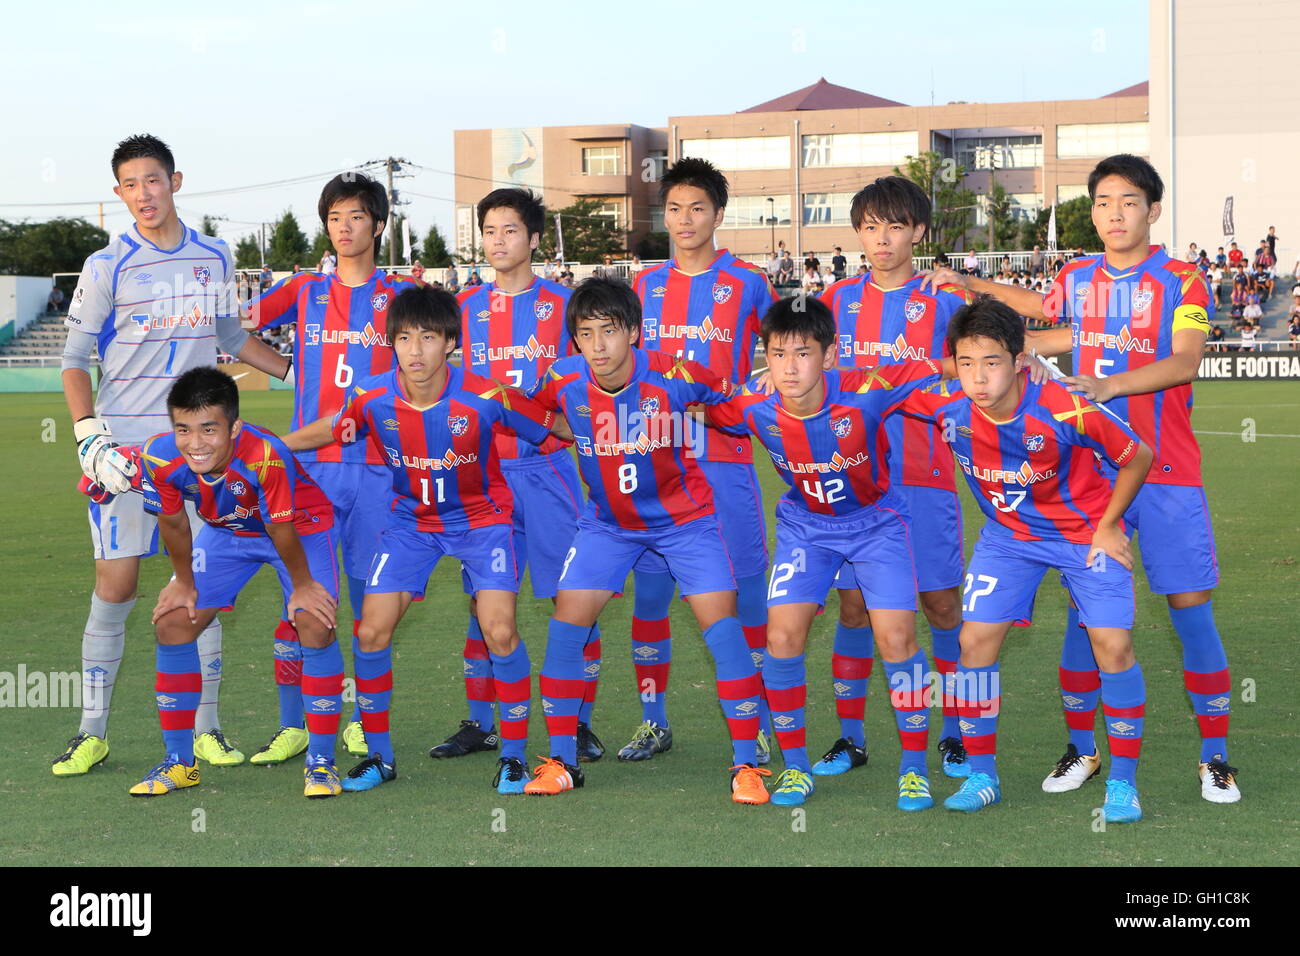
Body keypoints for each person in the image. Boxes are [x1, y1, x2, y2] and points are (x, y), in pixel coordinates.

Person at [923, 153, 1241, 804]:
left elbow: (1184, 361)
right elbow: (1041, 316)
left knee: (1189, 611)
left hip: (1166, 470)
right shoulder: (1078, 277)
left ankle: (1215, 758)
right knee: (1084, 619)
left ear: (1153, 209)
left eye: (1127, 202)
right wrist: (967, 292)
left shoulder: (1183, 281)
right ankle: (1082, 749)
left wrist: (1108, 384)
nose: (1113, 214)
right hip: (1089, 478)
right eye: (1101, 202)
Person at [54, 133, 288, 777]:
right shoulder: (106, 264)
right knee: (118, 586)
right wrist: (86, 435)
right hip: (126, 454)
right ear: (119, 193)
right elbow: (74, 360)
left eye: (152, 180)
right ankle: (90, 731)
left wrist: (300, 370)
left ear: (175, 181)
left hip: (200, 450)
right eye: (130, 185)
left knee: (201, 586)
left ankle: (207, 728)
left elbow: (231, 336)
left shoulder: (214, 255)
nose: (143, 195)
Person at [285, 284, 568, 794]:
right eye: (404, 337)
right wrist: (270, 447)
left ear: (451, 342)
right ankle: (380, 758)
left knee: (499, 631)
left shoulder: (487, 396)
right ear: (390, 341)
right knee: (370, 633)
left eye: (429, 337)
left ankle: (514, 757)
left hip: (482, 524)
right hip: (411, 526)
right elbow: (330, 428)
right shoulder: (371, 397)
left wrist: (622, 421)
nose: (415, 351)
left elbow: (560, 429)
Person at [899, 297, 1154, 823]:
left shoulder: (1062, 404)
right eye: (966, 364)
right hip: (1009, 537)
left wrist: (1109, 526)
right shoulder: (945, 405)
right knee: (973, 641)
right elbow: (873, 381)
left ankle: (1124, 785)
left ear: (1019, 360)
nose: (978, 378)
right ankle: (982, 774)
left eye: (991, 362)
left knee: (1113, 644)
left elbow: (1137, 455)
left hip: (1085, 534)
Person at [523, 277, 767, 802]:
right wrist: (561, 429)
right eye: (585, 334)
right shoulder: (562, 377)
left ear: (633, 331)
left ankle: (746, 763)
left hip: (687, 521)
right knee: (566, 626)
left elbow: (732, 403)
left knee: (723, 631)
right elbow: (529, 409)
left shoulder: (675, 374)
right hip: (607, 524)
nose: (598, 346)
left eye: (609, 332)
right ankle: (562, 761)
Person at [706, 297, 944, 810]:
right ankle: (794, 768)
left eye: (803, 352)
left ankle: (914, 768)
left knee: (897, 638)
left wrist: (1025, 360)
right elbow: (694, 402)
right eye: (778, 354)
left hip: (877, 524)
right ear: (763, 357)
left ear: (830, 354)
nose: (790, 367)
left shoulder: (867, 390)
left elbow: (943, 365)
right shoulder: (754, 405)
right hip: (805, 527)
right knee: (782, 636)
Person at [245, 172, 422, 764]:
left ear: (377, 225)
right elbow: (230, 329)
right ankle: (294, 724)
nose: (344, 229)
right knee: (303, 602)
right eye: (334, 219)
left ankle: (363, 725)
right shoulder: (302, 289)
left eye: (355, 218)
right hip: (309, 472)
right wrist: (291, 371)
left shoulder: (400, 299)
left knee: (374, 607)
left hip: (378, 473)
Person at [817, 175, 974, 782]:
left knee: (940, 605)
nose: (883, 238)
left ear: (919, 231)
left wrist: (918, 370)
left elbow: (973, 374)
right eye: (872, 226)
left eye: (896, 226)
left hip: (925, 471)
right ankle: (851, 738)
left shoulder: (946, 300)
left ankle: (955, 734)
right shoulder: (832, 302)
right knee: (854, 607)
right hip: (853, 479)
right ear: (859, 232)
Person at [443, 187, 603, 767]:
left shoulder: (566, 306)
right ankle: (481, 722)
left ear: (534, 239)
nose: (498, 242)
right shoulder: (463, 309)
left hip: (549, 471)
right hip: (482, 475)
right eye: (489, 231)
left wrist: (558, 426)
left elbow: (590, 390)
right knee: (481, 600)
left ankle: (578, 722)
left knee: (573, 596)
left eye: (510, 230)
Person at [127, 367, 340, 798]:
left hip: (300, 528)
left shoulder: (265, 454)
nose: (195, 443)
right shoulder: (159, 456)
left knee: (312, 622)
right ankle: (179, 763)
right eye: (183, 429)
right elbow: (172, 523)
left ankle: (321, 762)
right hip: (228, 532)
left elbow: (281, 531)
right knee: (172, 620)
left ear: (234, 427)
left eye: (209, 429)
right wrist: (184, 582)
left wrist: (302, 587)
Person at [626, 158, 775, 763]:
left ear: (717, 214)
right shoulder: (641, 287)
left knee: (744, 596)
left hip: (724, 461)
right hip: (652, 461)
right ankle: (653, 721)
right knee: (651, 597)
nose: (684, 220)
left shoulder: (749, 284)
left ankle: (761, 722)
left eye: (697, 208)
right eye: (674, 209)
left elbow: (792, 353)